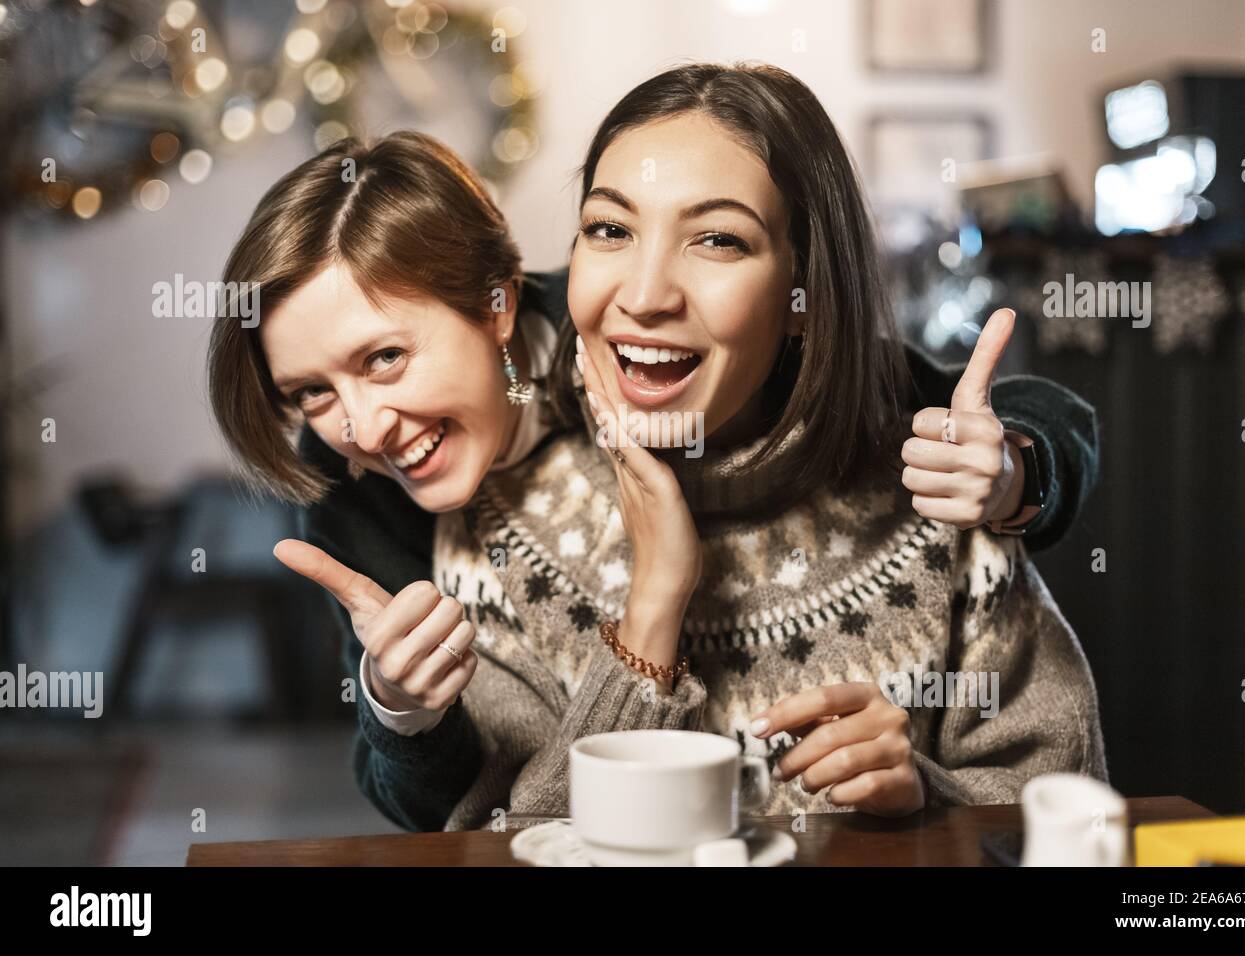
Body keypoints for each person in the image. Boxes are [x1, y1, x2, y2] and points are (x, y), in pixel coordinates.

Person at [208, 80, 1101, 831]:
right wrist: (400, 707)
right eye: (309, 392)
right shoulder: (365, 500)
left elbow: (962, 410)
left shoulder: (632, 327)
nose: (361, 426)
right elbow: (460, 817)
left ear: (499, 306)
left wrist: (1017, 471)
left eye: (385, 358)